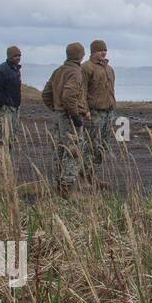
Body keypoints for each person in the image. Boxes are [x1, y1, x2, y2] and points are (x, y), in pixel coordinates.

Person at [41, 43, 89, 196]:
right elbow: (69, 96)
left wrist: (56, 108)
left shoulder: (59, 71)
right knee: (73, 152)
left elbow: (46, 93)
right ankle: (68, 189)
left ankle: (58, 185)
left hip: (59, 115)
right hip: (69, 117)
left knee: (60, 150)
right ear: (81, 55)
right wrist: (75, 115)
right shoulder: (75, 72)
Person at [80, 39, 116, 181]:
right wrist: (85, 110)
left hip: (109, 112)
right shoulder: (86, 68)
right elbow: (81, 91)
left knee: (103, 146)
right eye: (100, 50)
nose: (104, 52)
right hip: (94, 112)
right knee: (91, 145)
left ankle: (92, 175)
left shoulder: (109, 69)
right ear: (93, 52)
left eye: (105, 50)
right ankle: (84, 175)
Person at [0, 45, 22, 149]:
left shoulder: (16, 70)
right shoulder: (1, 70)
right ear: (9, 56)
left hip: (14, 108)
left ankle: (8, 161)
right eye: (15, 56)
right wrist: (2, 104)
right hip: (4, 109)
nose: (18, 58)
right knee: (2, 135)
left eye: (19, 55)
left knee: (11, 135)